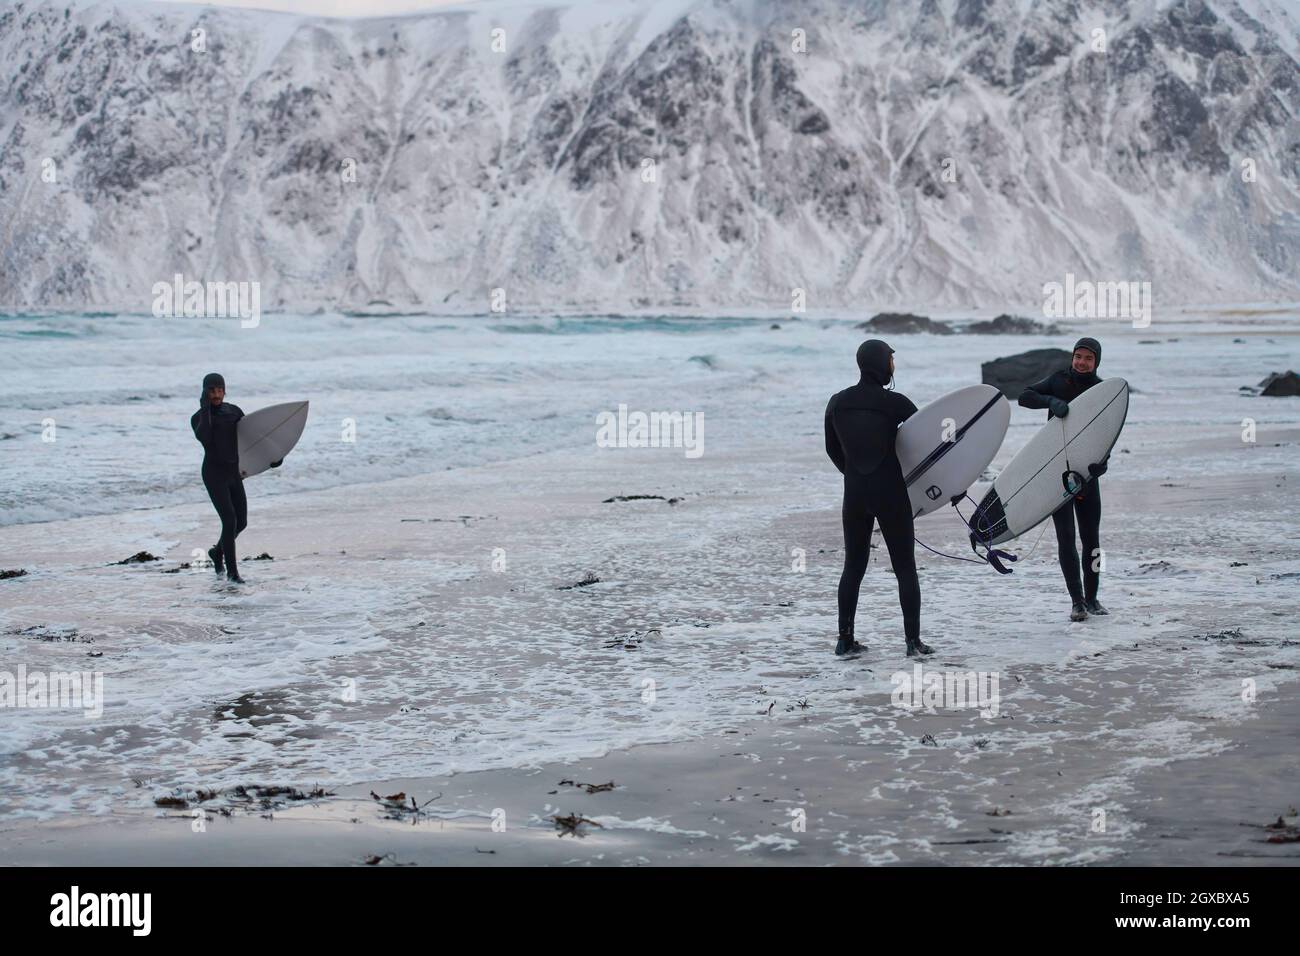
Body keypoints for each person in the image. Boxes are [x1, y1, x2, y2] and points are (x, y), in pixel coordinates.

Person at [825, 340, 932, 658]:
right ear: (881, 364)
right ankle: (912, 642)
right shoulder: (895, 403)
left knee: (853, 567)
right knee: (904, 567)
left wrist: (853, 475)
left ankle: (845, 640)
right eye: (891, 359)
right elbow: (925, 444)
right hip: (890, 492)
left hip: (855, 492)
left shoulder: (837, 402)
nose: (893, 366)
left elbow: (832, 448)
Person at [1018, 337, 1110, 622]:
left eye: (1088, 358)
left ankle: (1093, 598)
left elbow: (1107, 433)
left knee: (1092, 540)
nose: (1081, 362)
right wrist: (1050, 400)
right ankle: (1077, 601)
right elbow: (1025, 396)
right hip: (1056, 471)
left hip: (1086, 473)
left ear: (1096, 362)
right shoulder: (1059, 380)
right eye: (1078, 356)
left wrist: (1102, 464)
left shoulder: (1101, 390)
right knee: (1066, 538)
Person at [191, 372, 248, 584]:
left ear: (225, 390)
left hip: (234, 472)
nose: (216, 394)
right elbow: (204, 436)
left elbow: (251, 436)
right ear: (205, 392)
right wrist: (205, 408)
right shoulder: (198, 418)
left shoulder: (234, 411)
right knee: (229, 520)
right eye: (211, 391)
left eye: (219, 390)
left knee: (241, 522)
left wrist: (273, 457)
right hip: (214, 474)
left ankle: (217, 552)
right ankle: (232, 573)